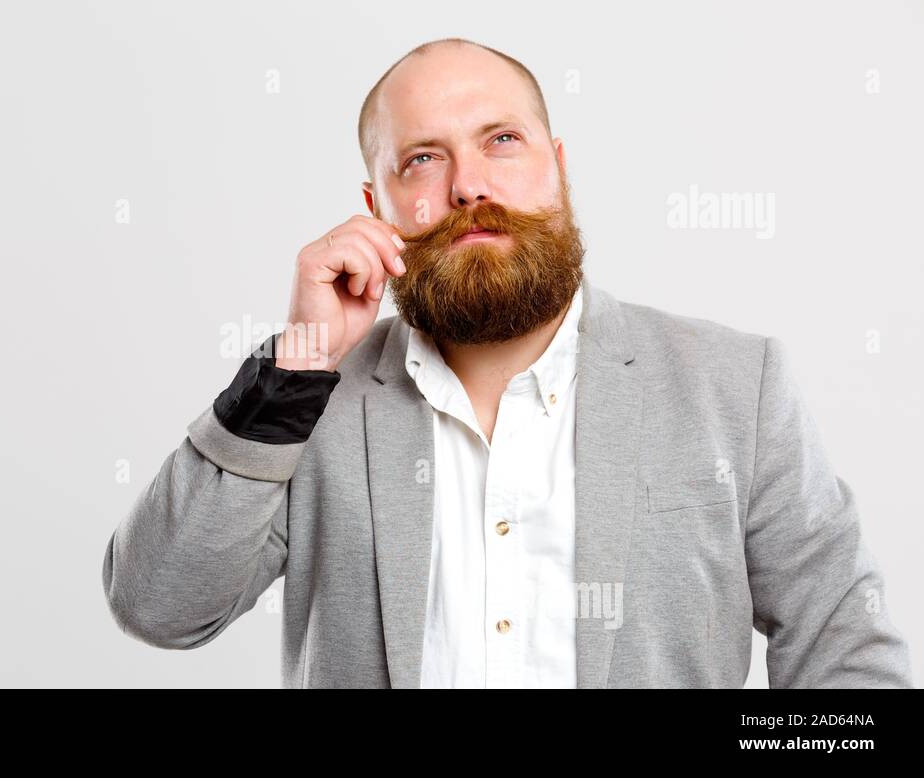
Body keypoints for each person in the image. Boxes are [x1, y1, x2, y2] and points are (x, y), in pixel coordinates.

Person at [101, 37, 913, 688]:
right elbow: (159, 606)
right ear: (375, 207)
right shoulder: (311, 405)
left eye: (502, 140)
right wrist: (299, 363)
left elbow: (846, 652)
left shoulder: (736, 386)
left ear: (557, 163)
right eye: (421, 158)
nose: (468, 186)